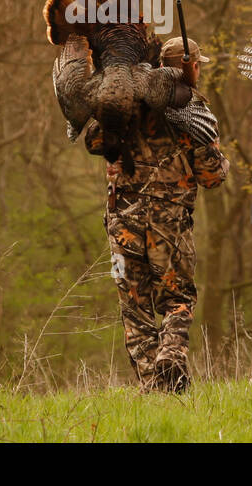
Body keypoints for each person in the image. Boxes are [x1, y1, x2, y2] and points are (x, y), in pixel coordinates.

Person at [83, 36, 228, 392]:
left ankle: (153, 386)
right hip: (170, 221)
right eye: (198, 65)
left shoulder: (125, 102)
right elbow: (211, 177)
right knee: (178, 298)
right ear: (190, 67)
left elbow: (93, 141)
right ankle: (171, 356)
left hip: (123, 219)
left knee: (134, 308)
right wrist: (221, 162)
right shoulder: (192, 107)